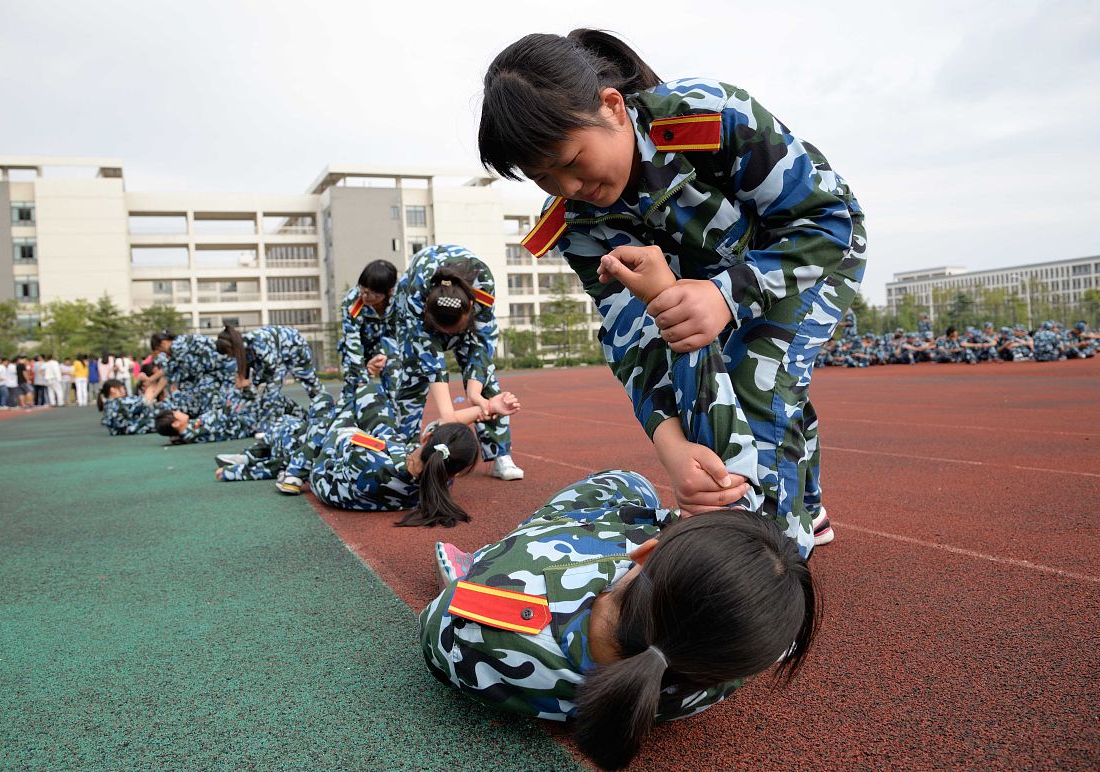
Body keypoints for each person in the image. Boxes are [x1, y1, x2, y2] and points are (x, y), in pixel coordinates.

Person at [479, 30, 865, 551]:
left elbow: (826, 221)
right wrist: (672, 447)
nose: (568, 188)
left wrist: (727, 293)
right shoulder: (577, 227)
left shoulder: (707, 120)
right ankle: (808, 508)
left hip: (808, 251)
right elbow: (632, 338)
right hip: (704, 289)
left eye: (570, 161)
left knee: (756, 376)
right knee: (708, 385)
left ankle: (771, 562)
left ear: (612, 107)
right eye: (544, 178)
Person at [420, 469, 817, 770]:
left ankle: (475, 558)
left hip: (517, 584)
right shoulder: (718, 677)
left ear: (643, 554)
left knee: (626, 483)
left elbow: (436, 617)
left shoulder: (479, 617)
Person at [390, 244, 525, 482]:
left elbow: (482, 343)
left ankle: (500, 455)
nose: (449, 340)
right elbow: (430, 359)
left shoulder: (482, 285)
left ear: (471, 308)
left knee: (487, 381)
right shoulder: (417, 294)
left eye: (454, 332)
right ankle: (406, 451)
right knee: (413, 375)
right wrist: (446, 415)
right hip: (413, 309)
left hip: (463, 303)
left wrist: (475, 394)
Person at [307, 379, 520, 520]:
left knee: (330, 402)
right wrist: (490, 408)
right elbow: (442, 429)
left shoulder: (365, 457)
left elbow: (339, 436)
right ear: (457, 472)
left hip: (327, 470)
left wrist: (347, 408)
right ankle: (360, 390)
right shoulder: (441, 479)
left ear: (428, 438)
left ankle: (351, 392)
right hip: (387, 461)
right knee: (372, 399)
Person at [215, 324, 326, 426]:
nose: (229, 357)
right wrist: (251, 385)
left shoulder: (257, 341)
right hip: (279, 355)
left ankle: (326, 412)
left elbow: (270, 367)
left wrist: (256, 382)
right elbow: (254, 369)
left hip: (295, 348)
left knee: (308, 383)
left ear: (231, 347)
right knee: (268, 392)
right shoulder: (244, 348)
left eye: (228, 353)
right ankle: (302, 417)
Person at [339, 259, 398, 403]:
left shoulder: (399, 300)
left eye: (373, 294)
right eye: (363, 290)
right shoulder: (353, 300)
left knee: (396, 376)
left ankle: (395, 416)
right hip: (360, 348)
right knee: (355, 387)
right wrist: (362, 376)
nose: (365, 296)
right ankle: (346, 415)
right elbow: (352, 341)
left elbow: (400, 333)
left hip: (389, 347)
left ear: (389, 291)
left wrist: (383, 356)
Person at [151, 332, 235, 417]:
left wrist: (151, 396)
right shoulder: (183, 340)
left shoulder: (177, 347)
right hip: (216, 377)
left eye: (160, 351)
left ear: (163, 344)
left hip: (215, 379)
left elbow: (168, 371)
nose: (165, 354)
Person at [97, 378, 163, 435]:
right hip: (135, 428)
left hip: (123, 430)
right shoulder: (118, 403)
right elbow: (145, 400)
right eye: (122, 387)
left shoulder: (109, 404)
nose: (124, 390)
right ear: (112, 390)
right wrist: (154, 383)